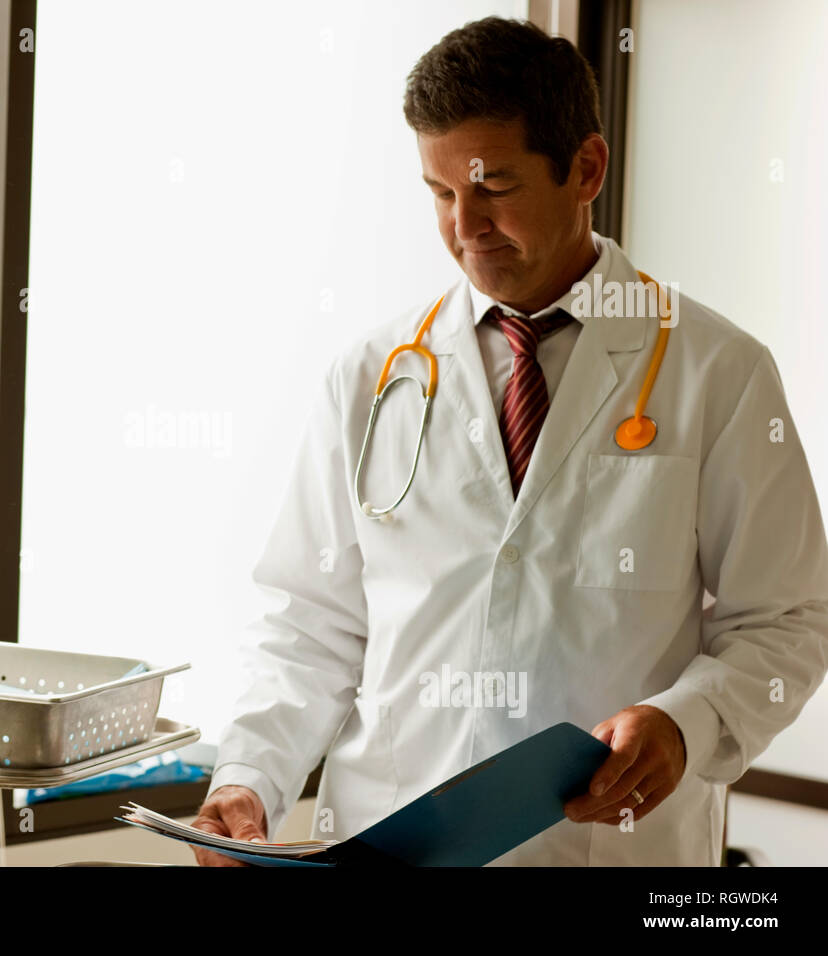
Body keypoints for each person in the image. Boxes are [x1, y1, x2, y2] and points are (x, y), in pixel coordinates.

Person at [191, 16, 828, 866]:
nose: (467, 226)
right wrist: (249, 776)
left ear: (586, 170)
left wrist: (687, 723)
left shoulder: (720, 372)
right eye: (441, 193)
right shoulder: (374, 374)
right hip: (392, 838)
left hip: (611, 848)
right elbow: (310, 625)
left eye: (496, 188)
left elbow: (786, 621)